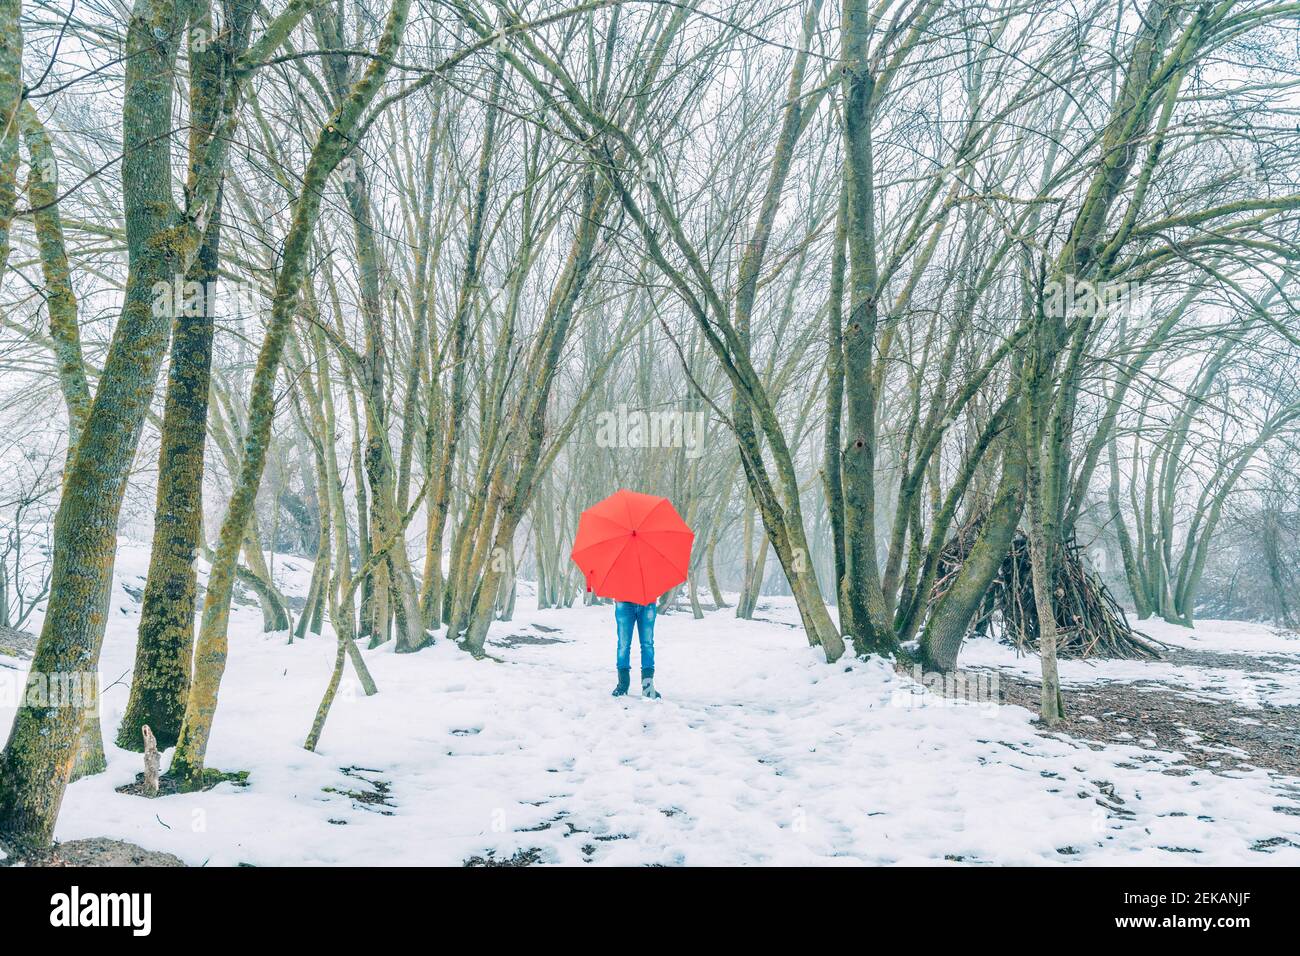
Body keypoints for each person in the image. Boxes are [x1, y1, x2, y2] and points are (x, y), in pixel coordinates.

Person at [612, 599, 660, 699]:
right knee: (623, 644)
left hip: (648, 600)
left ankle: (647, 686)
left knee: (647, 644)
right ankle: (623, 685)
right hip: (623, 600)